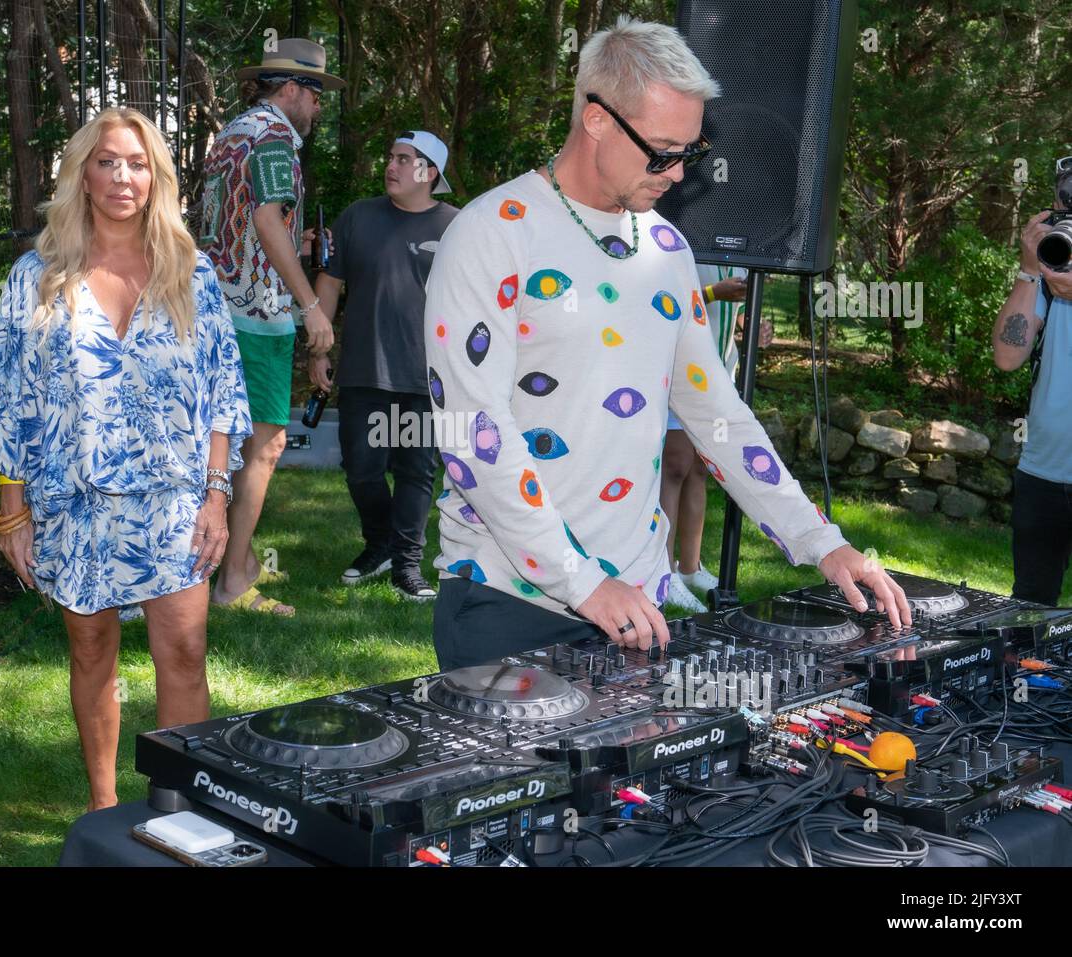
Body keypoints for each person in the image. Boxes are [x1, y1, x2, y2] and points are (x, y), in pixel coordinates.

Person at [423, 16, 910, 671]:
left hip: (636, 608)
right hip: (511, 601)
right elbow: (472, 435)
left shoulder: (667, 249)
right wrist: (583, 580)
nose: (679, 175)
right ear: (596, 118)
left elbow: (717, 415)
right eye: (661, 151)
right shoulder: (492, 235)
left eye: (690, 151)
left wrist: (819, 540)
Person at [0, 107, 252, 810]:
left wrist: (216, 494)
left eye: (136, 163)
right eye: (106, 161)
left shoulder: (193, 272)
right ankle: (102, 812)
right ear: (83, 174)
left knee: (184, 651)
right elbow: (9, 394)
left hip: (173, 499)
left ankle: (178, 808)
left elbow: (221, 387)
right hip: (73, 499)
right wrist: (13, 511)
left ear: (156, 177)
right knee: (92, 650)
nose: (122, 176)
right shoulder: (37, 276)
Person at [198, 38, 343, 616]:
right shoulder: (277, 134)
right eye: (315, 94)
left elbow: (240, 220)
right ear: (290, 90)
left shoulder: (233, 133)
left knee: (222, 443)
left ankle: (230, 560)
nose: (317, 108)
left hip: (213, 305)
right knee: (265, 443)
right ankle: (233, 580)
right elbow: (264, 218)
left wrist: (293, 239)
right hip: (256, 314)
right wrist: (310, 304)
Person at [311, 131, 460, 600]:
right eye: (390, 157)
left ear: (429, 173)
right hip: (364, 368)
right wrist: (319, 349)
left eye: (403, 159)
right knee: (362, 469)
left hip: (424, 376)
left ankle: (407, 565)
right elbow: (330, 283)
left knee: (415, 470)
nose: (391, 166)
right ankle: (380, 545)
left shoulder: (457, 227)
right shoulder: (359, 216)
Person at [660, 264, 774, 611]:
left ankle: (690, 568)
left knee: (699, 468)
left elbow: (731, 310)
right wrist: (713, 293)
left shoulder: (741, 251)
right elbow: (664, 303)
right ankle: (662, 576)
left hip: (720, 370)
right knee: (675, 466)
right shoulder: (685, 242)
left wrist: (750, 325)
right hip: (681, 367)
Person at [992, 154, 1072, 606]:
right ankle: (1029, 679)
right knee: (1030, 606)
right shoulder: (1053, 268)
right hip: (1045, 471)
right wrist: (1029, 270)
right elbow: (1007, 355)